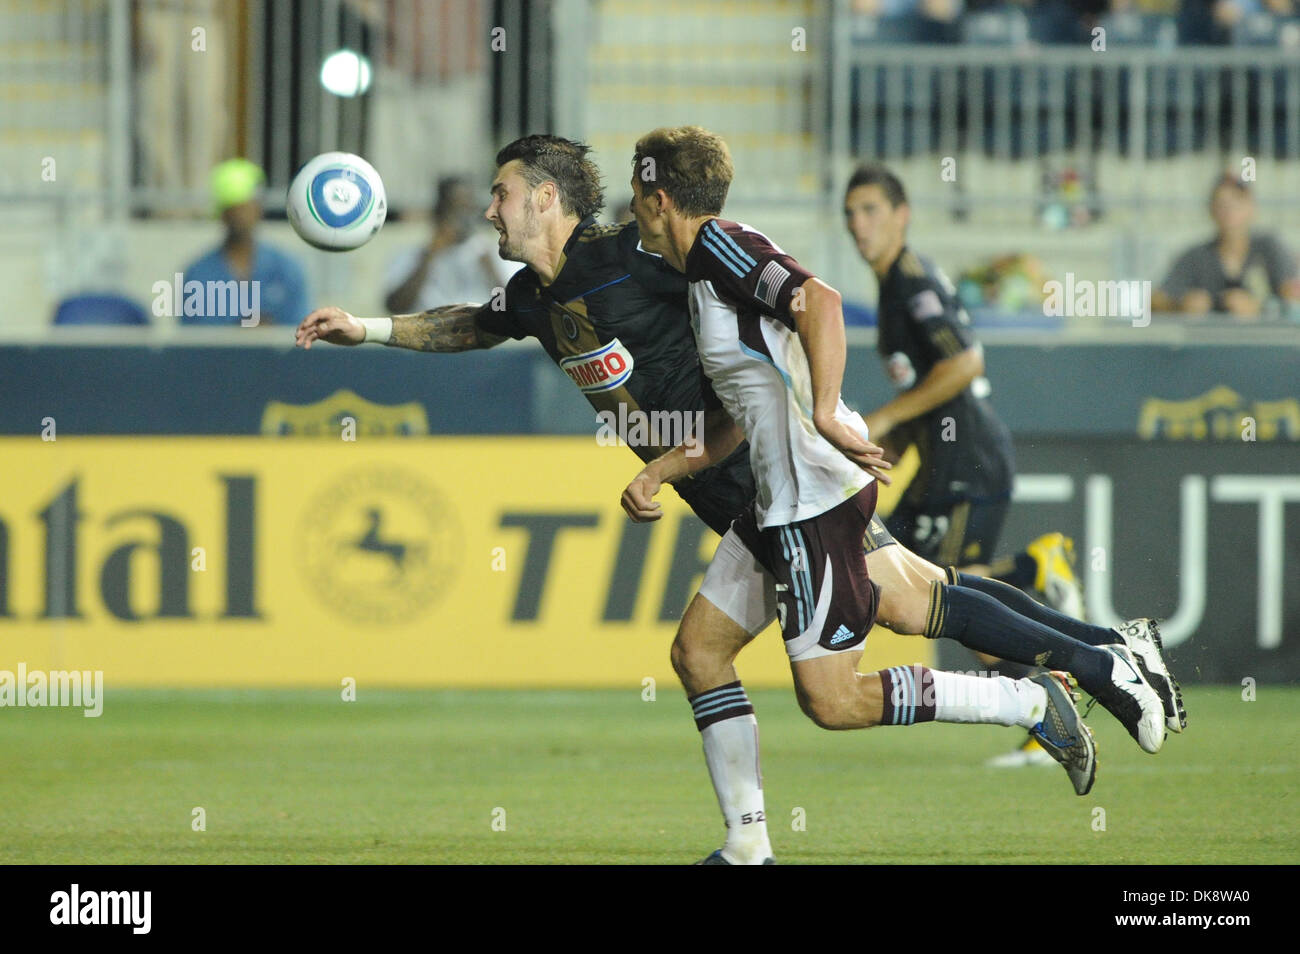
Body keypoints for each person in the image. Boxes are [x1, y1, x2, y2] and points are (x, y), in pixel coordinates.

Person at [296, 133, 1178, 863]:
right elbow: (470, 325)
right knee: (774, 637)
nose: (488, 207)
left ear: (546, 196)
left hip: (775, 488)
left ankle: (1048, 692)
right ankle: (1098, 655)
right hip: (752, 496)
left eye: (501, 191)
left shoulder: (644, 261)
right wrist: (364, 330)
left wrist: (759, 431)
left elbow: (786, 321)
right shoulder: (537, 295)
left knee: (841, 683)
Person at [620, 126, 1178, 863]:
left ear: (660, 200)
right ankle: (1108, 653)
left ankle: (1037, 696)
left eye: (636, 196)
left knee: (832, 698)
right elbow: (737, 415)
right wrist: (663, 469)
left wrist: (824, 411)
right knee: (713, 648)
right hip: (780, 494)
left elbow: (818, 300)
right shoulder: (707, 270)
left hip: (809, 498)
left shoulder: (719, 246)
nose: (632, 213)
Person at [844, 162, 1085, 766]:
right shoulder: (896, 285)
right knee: (941, 589)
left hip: (964, 462)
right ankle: (1033, 572)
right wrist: (882, 449)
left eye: (871, 210)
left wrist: (886, 419)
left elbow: (966, 362)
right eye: (850, 213)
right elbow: (932, 388)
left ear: (901, 215)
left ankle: (1041, 708)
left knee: (933, 594)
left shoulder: (911, 281)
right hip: (953, 461)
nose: (858, 224)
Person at [179, 159, 310, 327]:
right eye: (234, 209)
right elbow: (194, 340)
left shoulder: (287, 269)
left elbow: (301, 329)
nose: (240, 217)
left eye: (246, 207)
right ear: (222, 214)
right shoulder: (198, 274)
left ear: (258, 209)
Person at [1152, 173, 1300, 319]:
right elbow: (1157, 299)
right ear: (1212, 210)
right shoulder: (1196, 256)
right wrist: (1180, 305)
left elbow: (1292, 297)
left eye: (1237, 203)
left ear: (1252, 208)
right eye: (1222, 204)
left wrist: (1260, 308)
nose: (1229, 211)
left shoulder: (1270, 248)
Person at [383, 176, 517, 315]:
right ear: (438, 212)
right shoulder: (414, 254)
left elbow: (504, 308)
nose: (461, 217)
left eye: (467, 208)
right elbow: (394, 307)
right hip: (431, 332)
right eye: (453, 208)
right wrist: (429, 256)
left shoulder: (494, 254)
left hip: (479, 331)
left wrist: (490, 270)